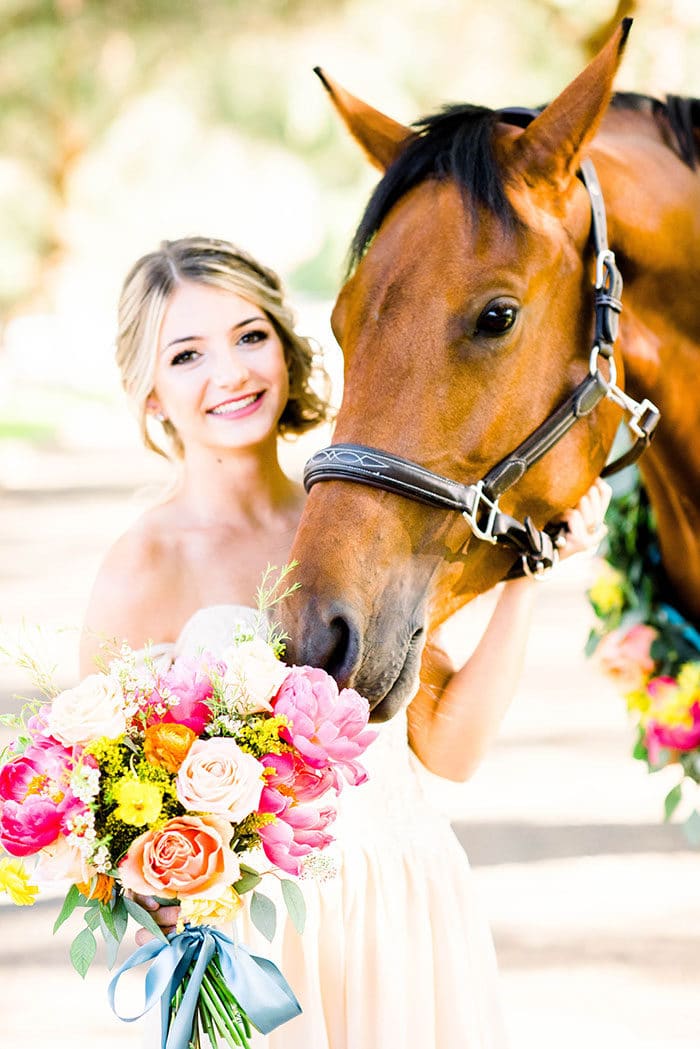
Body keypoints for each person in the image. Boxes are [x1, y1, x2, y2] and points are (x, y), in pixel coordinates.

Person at [80, 235, 611, 1049]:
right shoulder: (143, 564)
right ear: (150, 394)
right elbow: (102, 814)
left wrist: (528, 577)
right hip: (264, 945)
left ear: (287, 351)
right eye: (187, 353)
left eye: (250, 336)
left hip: (408, 902)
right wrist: (182, 913)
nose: (231, 372)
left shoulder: (353, 530)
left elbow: (452, 748)